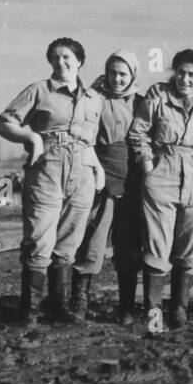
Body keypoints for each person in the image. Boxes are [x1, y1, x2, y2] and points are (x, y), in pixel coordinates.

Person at [0, 38, 105, 326]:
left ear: (79, 60)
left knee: (69, 242)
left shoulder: (95, 99)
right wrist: (30, 137)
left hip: (83, 172)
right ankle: (29, 314)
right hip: (47, 168)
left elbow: (89, 139)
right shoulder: (38, 91)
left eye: (67, 56)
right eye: (55, 57)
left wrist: (97, 167)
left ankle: (59, 309)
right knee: (39, 239)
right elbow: (4, 123)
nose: (61, 62)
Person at [128, 49, 193, 332]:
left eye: (192, 74)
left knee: (191, 244)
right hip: (162, 173)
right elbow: (138, 134)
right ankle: (154, 315)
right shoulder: (157, 99)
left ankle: (179, 310)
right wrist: (147, 165)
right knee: (157, 245)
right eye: (180, 72)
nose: (185, 79)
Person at [70, 49, 144, 324]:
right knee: (93, 240)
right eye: (112, 72)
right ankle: (79, 303)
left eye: (123, 74)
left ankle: (126, 307)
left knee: (129, 244)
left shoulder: (143, 101)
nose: (117, 78)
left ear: (133, 74)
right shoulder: (93, 98)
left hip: (133, 178)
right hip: (99, 174)